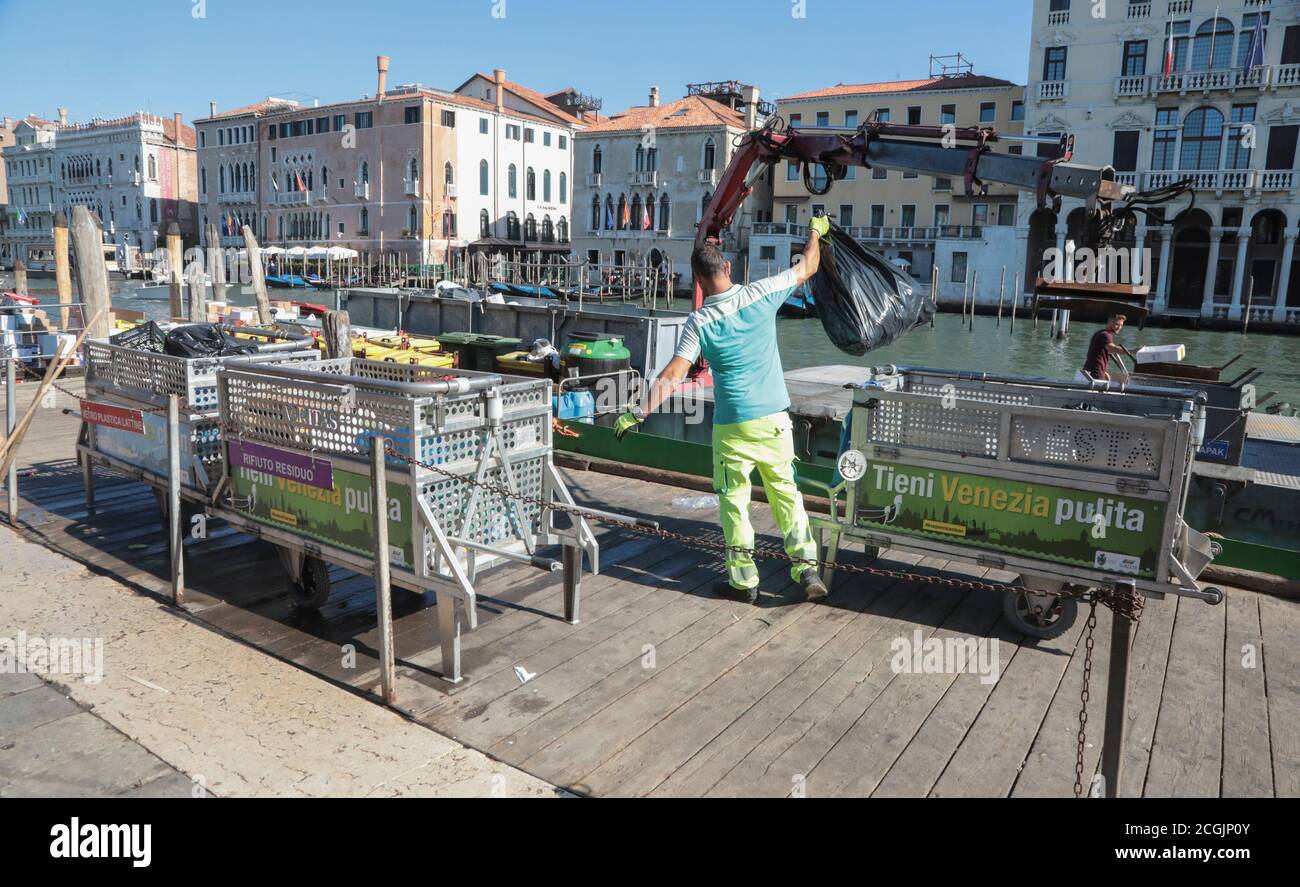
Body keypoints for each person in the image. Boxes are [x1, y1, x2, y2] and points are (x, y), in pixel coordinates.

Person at [613, 219, 831, 604]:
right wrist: (815, 231)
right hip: (774, 421)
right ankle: (807, 567)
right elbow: (808, 266)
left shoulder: (699, 320)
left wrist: (638, 412)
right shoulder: (762, 293)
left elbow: (674, 373)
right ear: (727, 268)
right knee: (786, 494)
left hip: (732, 427)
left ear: (697, 282)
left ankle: (744, 582)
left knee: (734, 503)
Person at [1078, 313, 1136, 383]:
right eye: (1117, 324)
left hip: (1088, 372)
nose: (1119, 327)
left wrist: (1104, 372)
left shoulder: (1100, 333)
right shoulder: (1106, 335)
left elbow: (1097, 354)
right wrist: (1133, 351)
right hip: (1095, 374)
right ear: (1109, 322)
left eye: (1121, 325)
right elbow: (1112, 348)